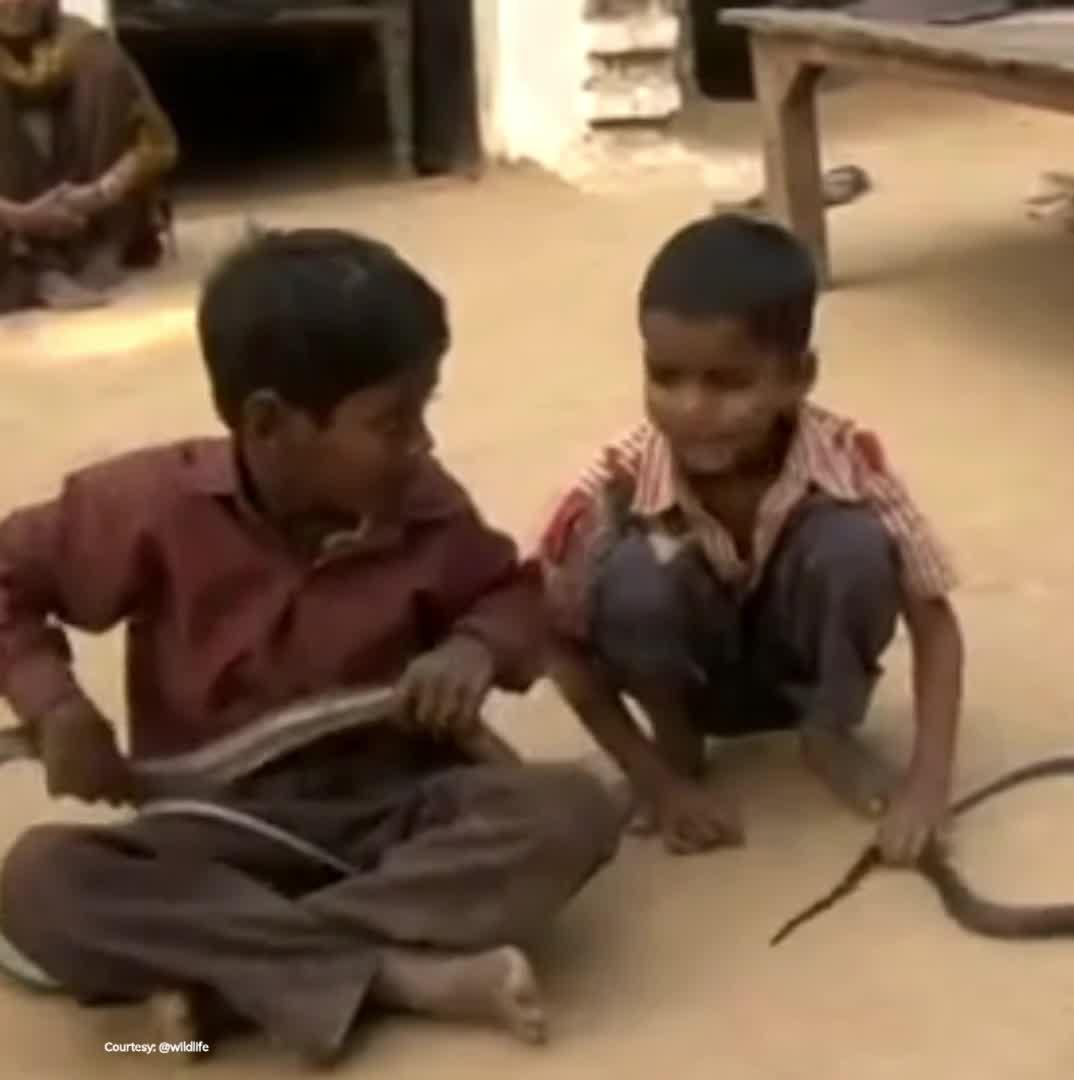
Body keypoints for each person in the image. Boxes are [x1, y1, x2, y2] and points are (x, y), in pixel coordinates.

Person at [0, 228, 626, 1064]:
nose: (422, 445)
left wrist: (473, 649)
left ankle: (240, 977)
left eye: (423, 412)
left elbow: (509, 594)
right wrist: (53, 703)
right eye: (392, 421)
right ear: (268, 424)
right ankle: (399, 973)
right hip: (213, 833)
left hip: (398, 815)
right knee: (40, 882)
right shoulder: (148, 505)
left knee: (571, 811)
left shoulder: (424, 503)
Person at [535, 213, 965, 867]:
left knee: (852, 545)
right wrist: (654, 778)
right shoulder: (616, 478)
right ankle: (678, 747)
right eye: (666, 376)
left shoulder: (849, 459)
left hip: (802, 671)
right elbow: (552, 643)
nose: (690, 408)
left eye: (728, 382)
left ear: (798, 377)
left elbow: (936, 624)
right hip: (689, 686)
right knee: (632, 575)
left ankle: (827, 734)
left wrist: (928, 788)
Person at [0, 0, 178, 312]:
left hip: (85, 210)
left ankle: (100, 246)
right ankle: (32, 268)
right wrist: (23, 218)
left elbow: (154, 142)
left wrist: (101, 192)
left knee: (101, 64)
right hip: (11, 225)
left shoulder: (81, 41)